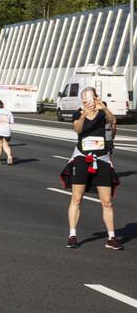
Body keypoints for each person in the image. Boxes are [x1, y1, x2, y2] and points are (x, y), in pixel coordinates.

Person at [62, 88, 122, 249]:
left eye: (89, 99)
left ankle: (111, 238)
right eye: (84, 100)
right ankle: (72, 235)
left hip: (101, 158)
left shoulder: (103, 113)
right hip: (82, 158)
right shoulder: (78, 114)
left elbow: (113, 120)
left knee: (107, 201)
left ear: (96, 98)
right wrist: (82, 115)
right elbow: (77, 129)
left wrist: (104, 108)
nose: (86, 103)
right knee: (76, 198)